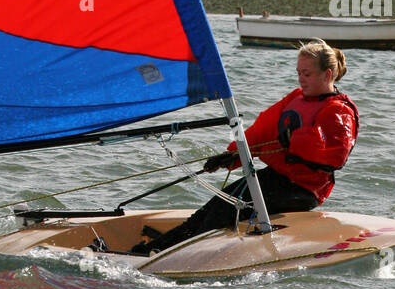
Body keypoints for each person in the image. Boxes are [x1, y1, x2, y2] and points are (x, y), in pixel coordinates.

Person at [130, 39, 359, 256]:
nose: (301, 79)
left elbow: (336, 156)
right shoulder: (296, 97)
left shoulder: (339, 111)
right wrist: (233, 155)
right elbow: (262, 131)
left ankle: (170, 255)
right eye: (298, 73)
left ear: (327, 75)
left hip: (304, 190)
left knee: (220, 215)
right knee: (211, 208)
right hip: (275, 178)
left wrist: (299, 140)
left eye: (307, 74)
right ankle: (153, 250)